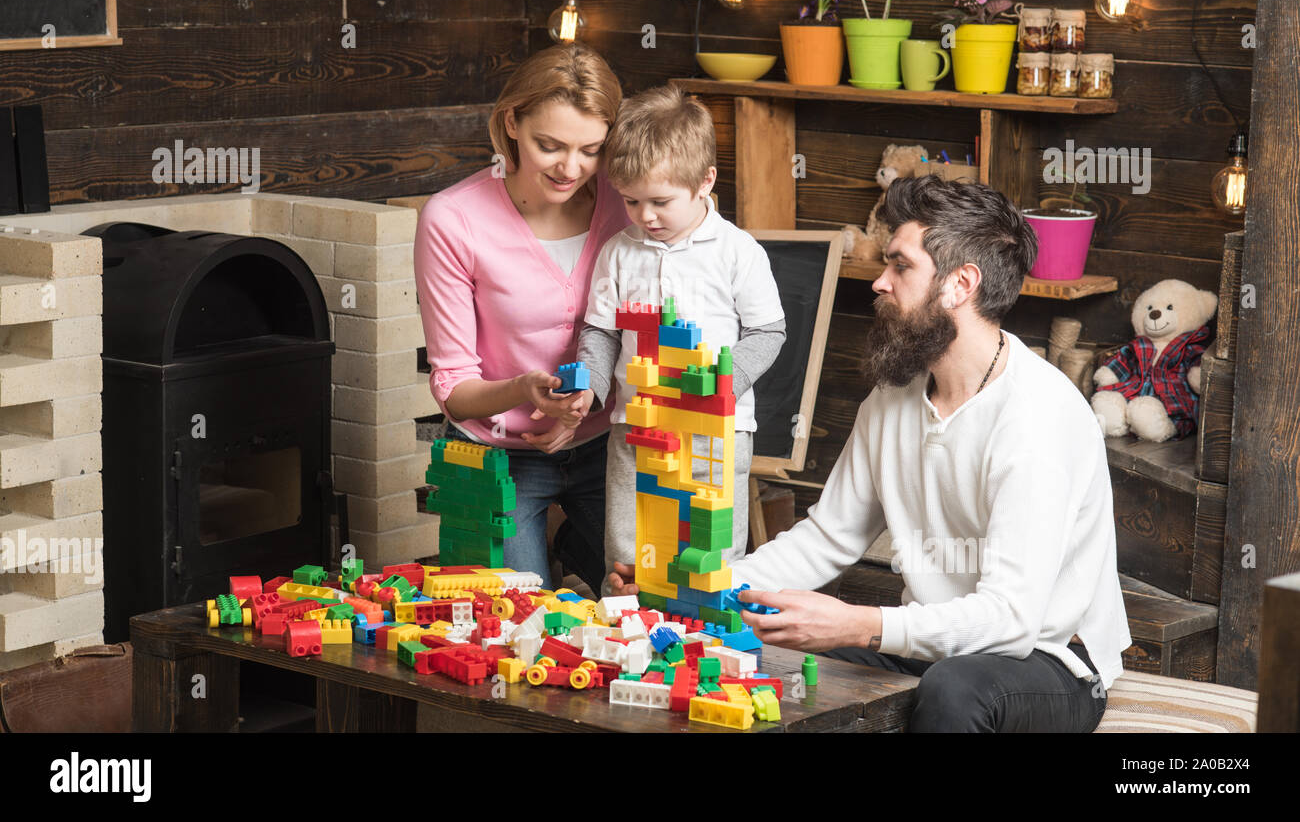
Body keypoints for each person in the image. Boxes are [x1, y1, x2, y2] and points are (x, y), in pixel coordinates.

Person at [617, 174, 1132, 732]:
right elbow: (829, 536)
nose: (879, 283)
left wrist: (860, 625)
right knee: (768, 666)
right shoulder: (894, 396)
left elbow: (1012, 620)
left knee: (955, 691)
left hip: (1050, 658)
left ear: (961, 284)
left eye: (901, 266)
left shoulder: (1038, 416)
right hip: (933, 646)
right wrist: (699, 586)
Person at [414, 44, 629, 593]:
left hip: (608, 445)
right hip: (501, 455)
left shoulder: (625, 204)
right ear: (512, 123)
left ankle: (573, 557)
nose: (570, 169)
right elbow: (453, 388)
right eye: (549, 146)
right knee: (516, 617)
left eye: (590, 150)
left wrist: (586, 406)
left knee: (642, 607)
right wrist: (522, 390)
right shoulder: (453, 219)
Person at [571, 85, 787, 598]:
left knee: (708, 552)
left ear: (705, 181)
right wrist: (593, 383)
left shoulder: (738, 252)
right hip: (635, 427)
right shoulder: (619, 252)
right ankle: (626, 634)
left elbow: (768, 330)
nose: (645, 216)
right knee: (629, 548)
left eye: (661, 202)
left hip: (715, 431)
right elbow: (601, 329)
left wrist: (726, 381)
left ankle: (704, 636)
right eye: (631, 201)